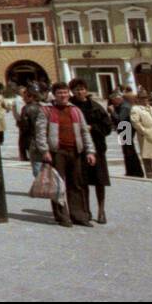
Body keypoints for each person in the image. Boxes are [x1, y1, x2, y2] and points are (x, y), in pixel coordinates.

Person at [33, 82, 96, 227]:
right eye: (60, 93)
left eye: (65, 92)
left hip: (75, 151)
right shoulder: (47, 110)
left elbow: (84, 131)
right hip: (57, 152)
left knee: (76, 184)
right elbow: (40, 132)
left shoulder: (75, 110)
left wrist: (90, 151)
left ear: (69, 94)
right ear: (54, 94)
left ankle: (78, 215)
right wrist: (45, 151)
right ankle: (62, 216)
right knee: (58, 186)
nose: (63, 95)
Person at [69, 79, 112, 223]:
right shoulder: (70, 106)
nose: (79, 92)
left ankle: (101, 210)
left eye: (81, 89)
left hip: (97, 148)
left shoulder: (96, 107)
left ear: (86, 90)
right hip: (78, 149)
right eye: (76, 89)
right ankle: (85, 210)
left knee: (100, 181)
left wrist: (92, 128)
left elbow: (107, 127)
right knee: (82, 181)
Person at [113, 92, 144, 177]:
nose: (113, 103)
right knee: (127, 151)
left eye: (114, 101)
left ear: (118, 99)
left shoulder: (125, 107)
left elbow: (120, 119)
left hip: (126, 129)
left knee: (129, 151)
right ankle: (131, 171)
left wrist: (112, 112)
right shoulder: (123, 106)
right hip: (124, 129)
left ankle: (134, 171)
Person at [19, 87, 43, 171]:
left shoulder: (26, 109)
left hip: (31, 140)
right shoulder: (42, 107)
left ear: (31, 97)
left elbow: (24, 128)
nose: (23, 99)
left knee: (37, 167)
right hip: (43, 139)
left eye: (24, 97)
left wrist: (22, 148)